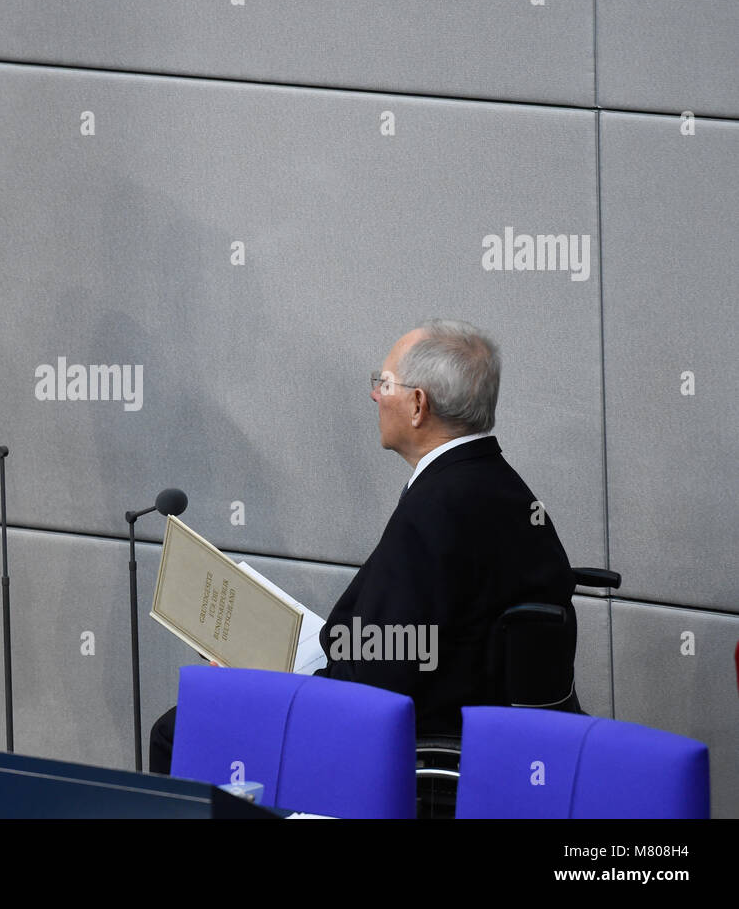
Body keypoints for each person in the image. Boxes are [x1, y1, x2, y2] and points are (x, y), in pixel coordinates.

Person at [149, 319, 576, 772]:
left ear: (417, 405)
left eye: (384, 383)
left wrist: (266, 681)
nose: (375, 395)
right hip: (482, 737)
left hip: (412, 747)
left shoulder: (435, 510)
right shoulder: (504, 488)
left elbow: (376, 683)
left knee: (179, 731)